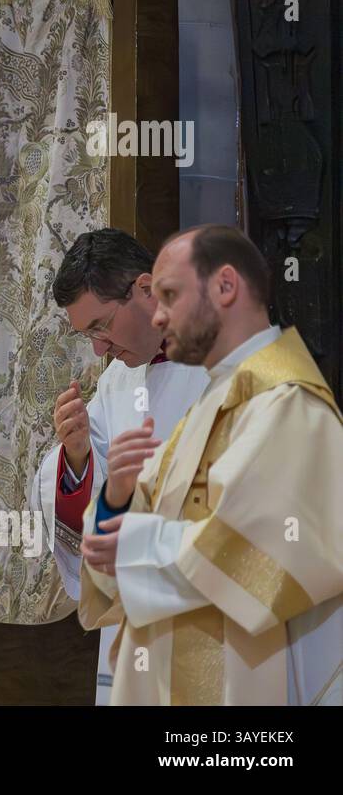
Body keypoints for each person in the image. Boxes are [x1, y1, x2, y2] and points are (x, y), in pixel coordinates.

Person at [80, 224, 343, 704]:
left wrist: (131, 545)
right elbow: (120, 535)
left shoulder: (289, 404)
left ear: (225, 286)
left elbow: (267, 554)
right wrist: (113, 505)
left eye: (170, 296)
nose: (158, 316)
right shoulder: (210, 406)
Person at [27, 228, 207, 703]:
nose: (98, 348)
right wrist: (77, 457)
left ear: (145, 289)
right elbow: (79, 501)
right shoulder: (117, 385)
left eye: (101, 325)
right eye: (88, 334)